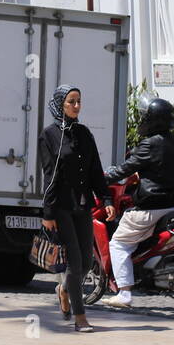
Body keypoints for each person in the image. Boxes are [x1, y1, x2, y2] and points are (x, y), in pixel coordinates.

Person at [38, 84, 113, 332]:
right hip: (61, 206)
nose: (76, 106)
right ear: (60, 104)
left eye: (79, 101)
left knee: (86, 261)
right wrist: (48, 213)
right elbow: (50, 175)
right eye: (71, 101)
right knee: (74, 260)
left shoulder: (84, 133)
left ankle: (63, 289)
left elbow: (95, 170)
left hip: (83, 205)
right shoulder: (49, 135)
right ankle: (80, 318)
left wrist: (106, 199)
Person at [101, 97, 174, 309]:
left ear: (153, 120)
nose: (142, 120)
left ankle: (124, 293)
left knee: (119, 244)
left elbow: (125, 169)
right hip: (173, 205)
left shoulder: (150, 144)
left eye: (145, 116)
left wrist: (101, 178)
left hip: (150, 207)